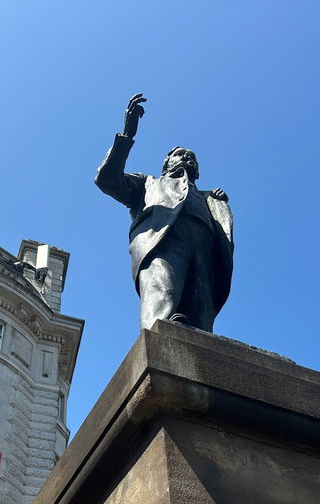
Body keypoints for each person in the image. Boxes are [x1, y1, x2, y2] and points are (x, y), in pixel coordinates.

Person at [95, 93, 234, 332]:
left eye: (192, 159)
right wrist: (127, 135)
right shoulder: (147, 184)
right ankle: (159, 346)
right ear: (166, 163)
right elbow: (107, 179)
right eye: (181, 155)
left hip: (205, 248)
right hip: (164, 241)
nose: (188, 159)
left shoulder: (209, 198)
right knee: (162, 297)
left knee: (202, 316)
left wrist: (216, 202)